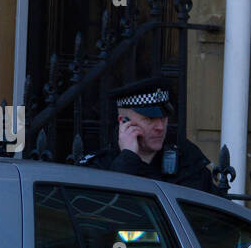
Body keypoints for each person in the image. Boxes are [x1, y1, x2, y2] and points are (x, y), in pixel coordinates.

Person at [80, 76, 222, 194]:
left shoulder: (187, 160)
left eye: (163, 118)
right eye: (149, 120)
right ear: (124, 121)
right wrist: (127, 159)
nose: (160, 127)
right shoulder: (99, 166)